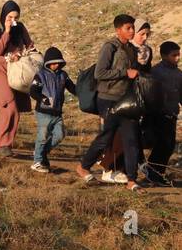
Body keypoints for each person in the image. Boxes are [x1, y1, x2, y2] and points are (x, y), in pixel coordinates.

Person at [77, 14, 144, 188]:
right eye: (127, 28)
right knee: (106, 137)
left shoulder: (131, 49)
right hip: (107, 99)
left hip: (126, 101)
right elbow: (100, 73)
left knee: (131, 139)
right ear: (117, 30)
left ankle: (131, 180)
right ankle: (84, 167)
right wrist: (124, 73)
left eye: (132, 28)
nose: (132, 31)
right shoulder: (110, 47)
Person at [0, 0, 35, 156]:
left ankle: (4, 145)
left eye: (15, 17)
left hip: (16, 71)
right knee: (9, 107)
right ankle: (3, 144)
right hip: (0, 70)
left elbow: (30, 45)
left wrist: (23, 54)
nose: (13, 21)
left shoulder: (20, 28)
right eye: (9, 17)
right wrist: (7, 31)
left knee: (14, 111)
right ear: (4, 16)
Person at [28, 46, 74, 172]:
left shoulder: (63, 75)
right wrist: (43, 98)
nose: (56, 65)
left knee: (60, 135)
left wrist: (84, 93)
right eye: (53, 63)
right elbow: (33, 91)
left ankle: (41, 153)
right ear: (47, 63)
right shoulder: (40, 76)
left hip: (57, 113)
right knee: (42, 136)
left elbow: (73, 88)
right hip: (43, 112)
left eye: (58, 63)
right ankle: (37, 161)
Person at [144, 41, 180, 182]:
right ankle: (153, 173)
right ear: (164, 56)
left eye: (178, 54)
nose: (177, 58)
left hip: (171, 114)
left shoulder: (178, 73)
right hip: (158, 114)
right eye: (174, 55)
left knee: (169, 145)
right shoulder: (156, 72)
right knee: (162, 145)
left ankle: (156, 173)